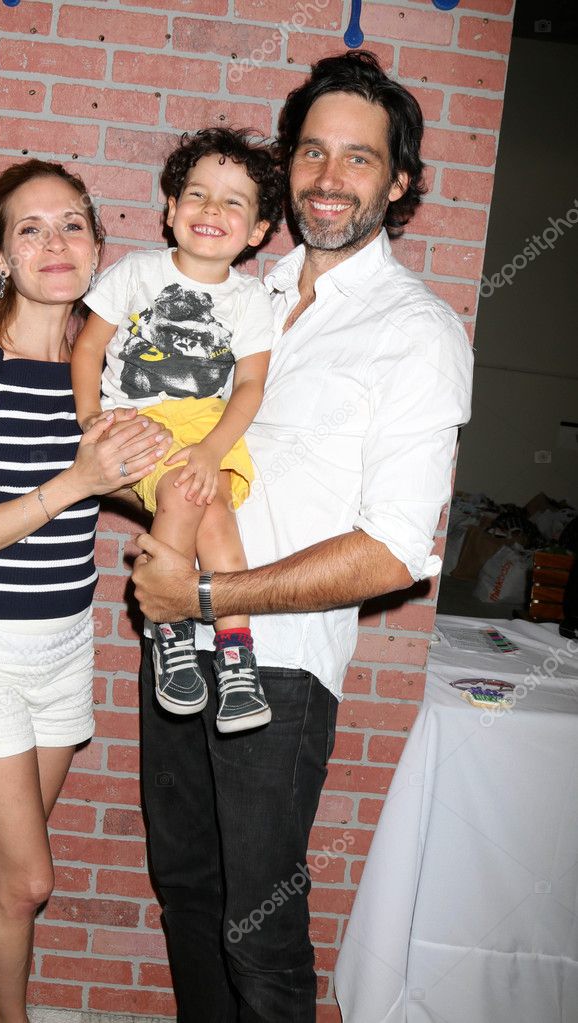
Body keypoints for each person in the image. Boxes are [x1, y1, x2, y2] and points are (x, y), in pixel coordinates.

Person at [132, 51, 474, 1022]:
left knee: (259, 929)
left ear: (398, 181)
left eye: (359, 159)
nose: (329, 178)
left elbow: (395, 551)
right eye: (313, 152)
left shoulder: (418, 333)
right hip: (174, 645)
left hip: (276, 671)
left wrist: (208, 597)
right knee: (188, 891)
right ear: (287, 165)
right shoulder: (235, 298)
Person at [0, 159, 170, 1023]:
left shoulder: (109, 374)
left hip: (61, 648)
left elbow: (136, 488)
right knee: (29, 881)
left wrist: (186, 470)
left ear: (99, 246)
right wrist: (79, 476)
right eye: (30, 227)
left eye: (73, 224)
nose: (55, 242)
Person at [71, 128, 284, 732]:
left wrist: (213, 449)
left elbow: (249, 387)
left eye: (234, 202)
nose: (212, 210)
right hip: (142, 422)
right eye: (197, 194)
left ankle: (234, 653)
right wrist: (91, 419)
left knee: (215, 512)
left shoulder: (251, 300)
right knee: (186, 496)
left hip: (213, 428)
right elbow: (87, 350)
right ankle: (173, 628)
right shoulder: (136, 272)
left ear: (259, 231)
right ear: (171, 210)